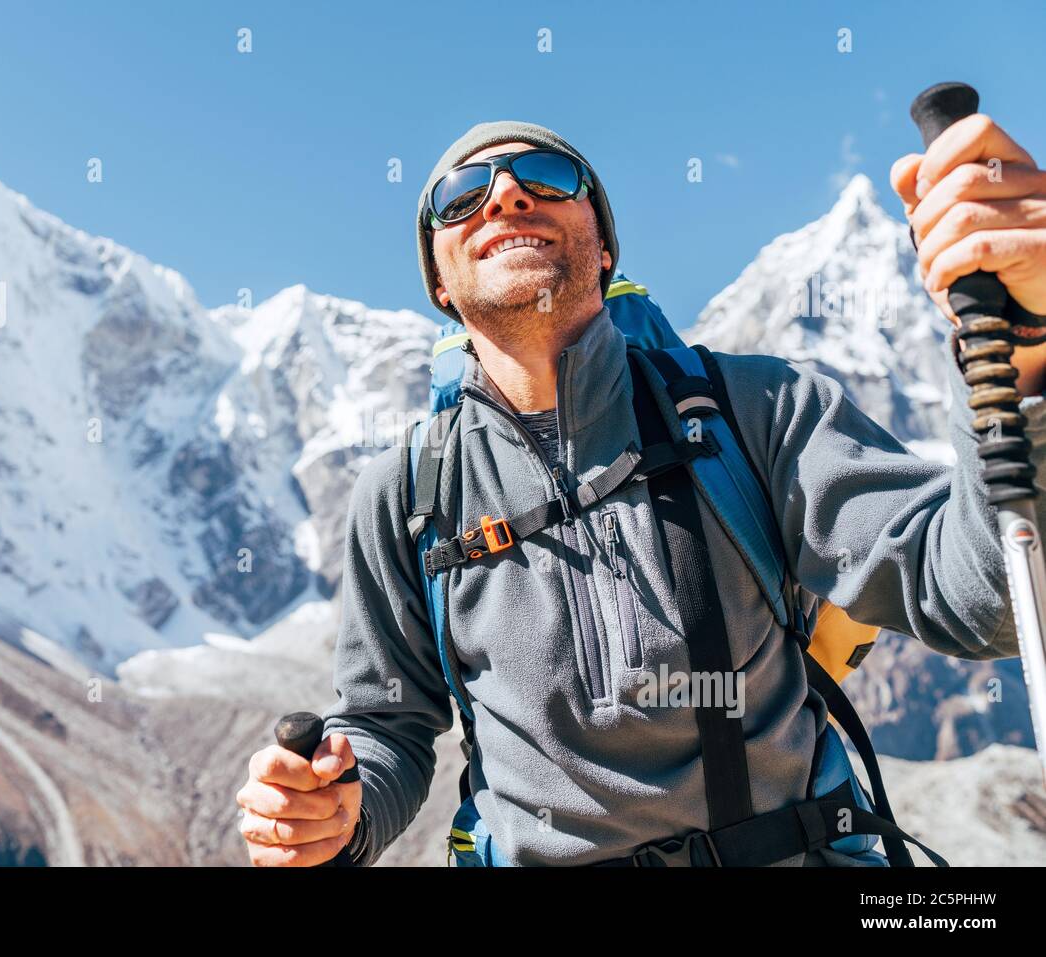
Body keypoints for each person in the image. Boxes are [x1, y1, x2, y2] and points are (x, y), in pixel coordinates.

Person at [236, 116, 1046, 866]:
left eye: (548, 177)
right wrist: (334, 813)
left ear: (605, 247)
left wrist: (1027, 347)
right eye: (460, 198)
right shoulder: (407, 491)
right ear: (440, 285)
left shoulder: (756, 411)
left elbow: (985, 596)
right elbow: (387, 726)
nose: (508, 196)